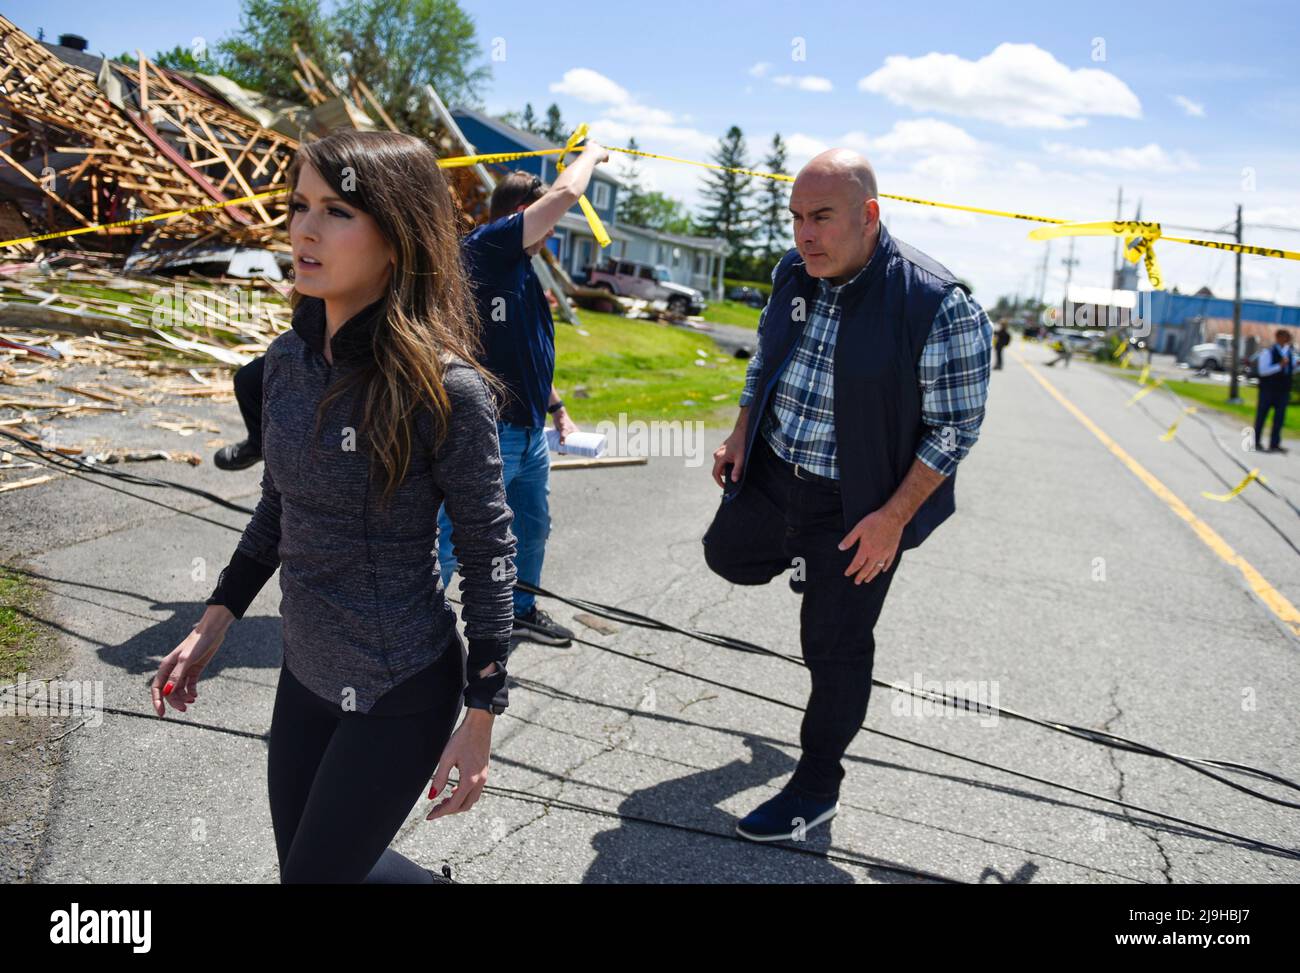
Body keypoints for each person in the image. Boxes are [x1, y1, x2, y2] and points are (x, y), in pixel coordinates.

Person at [151, 130, 518, 883]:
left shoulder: (447, 391)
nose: (305, 230)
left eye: (338, 210)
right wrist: (212, 622)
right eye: (299, 206)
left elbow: (488, 555)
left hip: (401, 689)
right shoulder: (283, 365)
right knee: (314, 870)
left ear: (396, 239)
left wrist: (480, 717)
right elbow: (278, 509)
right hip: (307, 673)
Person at [702, 148, 992, 842]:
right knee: (724, 554)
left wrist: (893, 518)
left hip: (858, 506)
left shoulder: (936, 304)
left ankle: (815, 786)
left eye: (822, 217)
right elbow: (768, 356)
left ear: (868, 216)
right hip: (775, 472)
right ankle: (808, 569)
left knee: (832, 645)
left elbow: (957, 428)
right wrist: (742, 430)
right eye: (797, 217)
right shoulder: (793, 273)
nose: (806, 234)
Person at [436, 144, 611, 647]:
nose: (553, 231)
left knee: (531, 528)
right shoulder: (487, 248)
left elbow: (523, 352)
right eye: (545, 221)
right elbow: (566, 190)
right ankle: (416, 626)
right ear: (521, 216)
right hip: (491, 432)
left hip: (530, 431)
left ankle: (521, 609)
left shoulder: (518, 272)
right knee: (451, 537)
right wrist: (593, 155)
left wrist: (557, 409)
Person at [1254, 328, 1296, 453]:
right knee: (1262, 416)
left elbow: (1290, 371)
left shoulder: (1289, 353)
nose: (1287, 339)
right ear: (1278, 338)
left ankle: (1274, 443)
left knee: (1279, 418)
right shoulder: (1268, 352)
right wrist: (1279, 366)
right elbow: (1263, 371)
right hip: (1268, 389)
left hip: (1282, 391)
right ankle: (1256, 442)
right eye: (1285, 337)